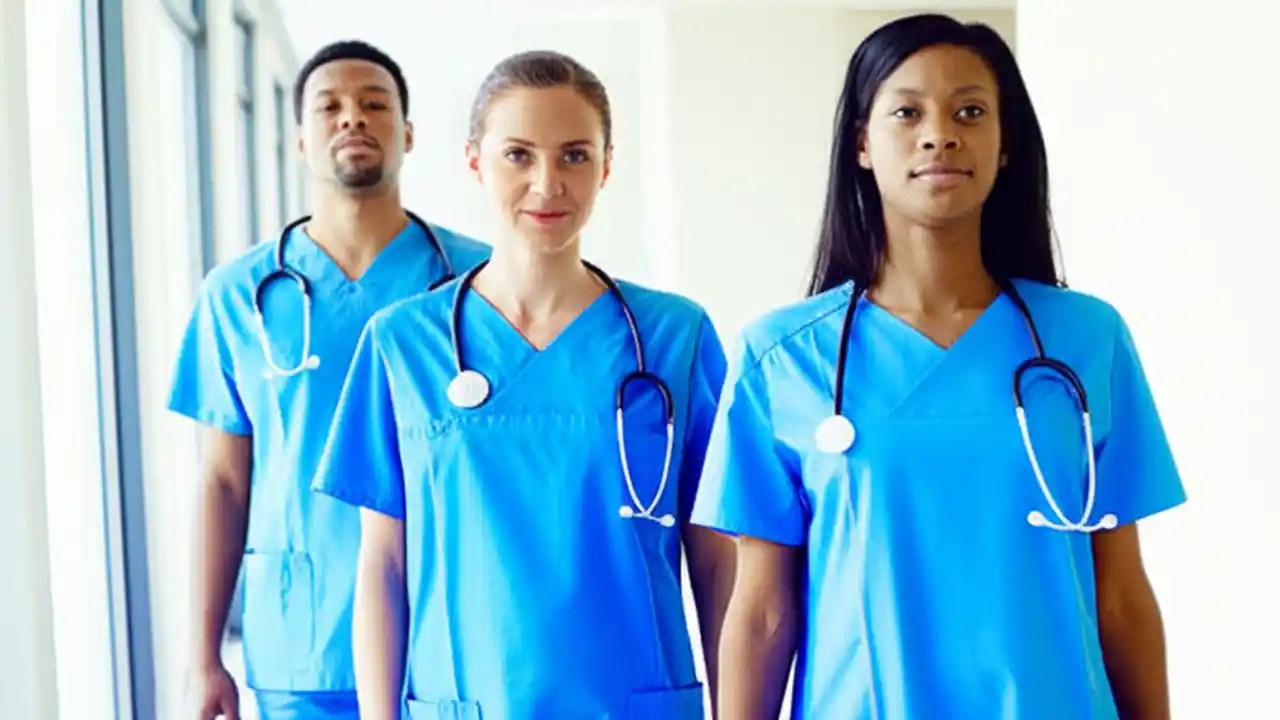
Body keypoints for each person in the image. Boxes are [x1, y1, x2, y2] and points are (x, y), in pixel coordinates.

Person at [691, 13, 1186, 720]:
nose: (940, 134)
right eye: (907, 112)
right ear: (862, 144)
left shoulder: (1085, 341)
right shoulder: (784, 356)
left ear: (1005, 142)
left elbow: (1122, 594)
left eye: (970, 111)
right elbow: (763, 611)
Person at [311, 50, 736, 720]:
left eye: (574, 155)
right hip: (467, 701)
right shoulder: (403, 344)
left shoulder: (673, 336)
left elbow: (717, 561)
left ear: (606, 165)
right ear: (475, 162)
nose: (548, 183)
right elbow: (383, 567)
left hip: (632, 700)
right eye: (518, 155)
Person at [168, 40, 488, 720]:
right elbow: (223, 481)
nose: (353, 119)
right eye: (330, 107)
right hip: (303, 643)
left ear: (407, 133)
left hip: (451, 637)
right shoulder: (238, 294)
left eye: (375, 104)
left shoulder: (479, 284)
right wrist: (201, 658)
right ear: (300, 141)